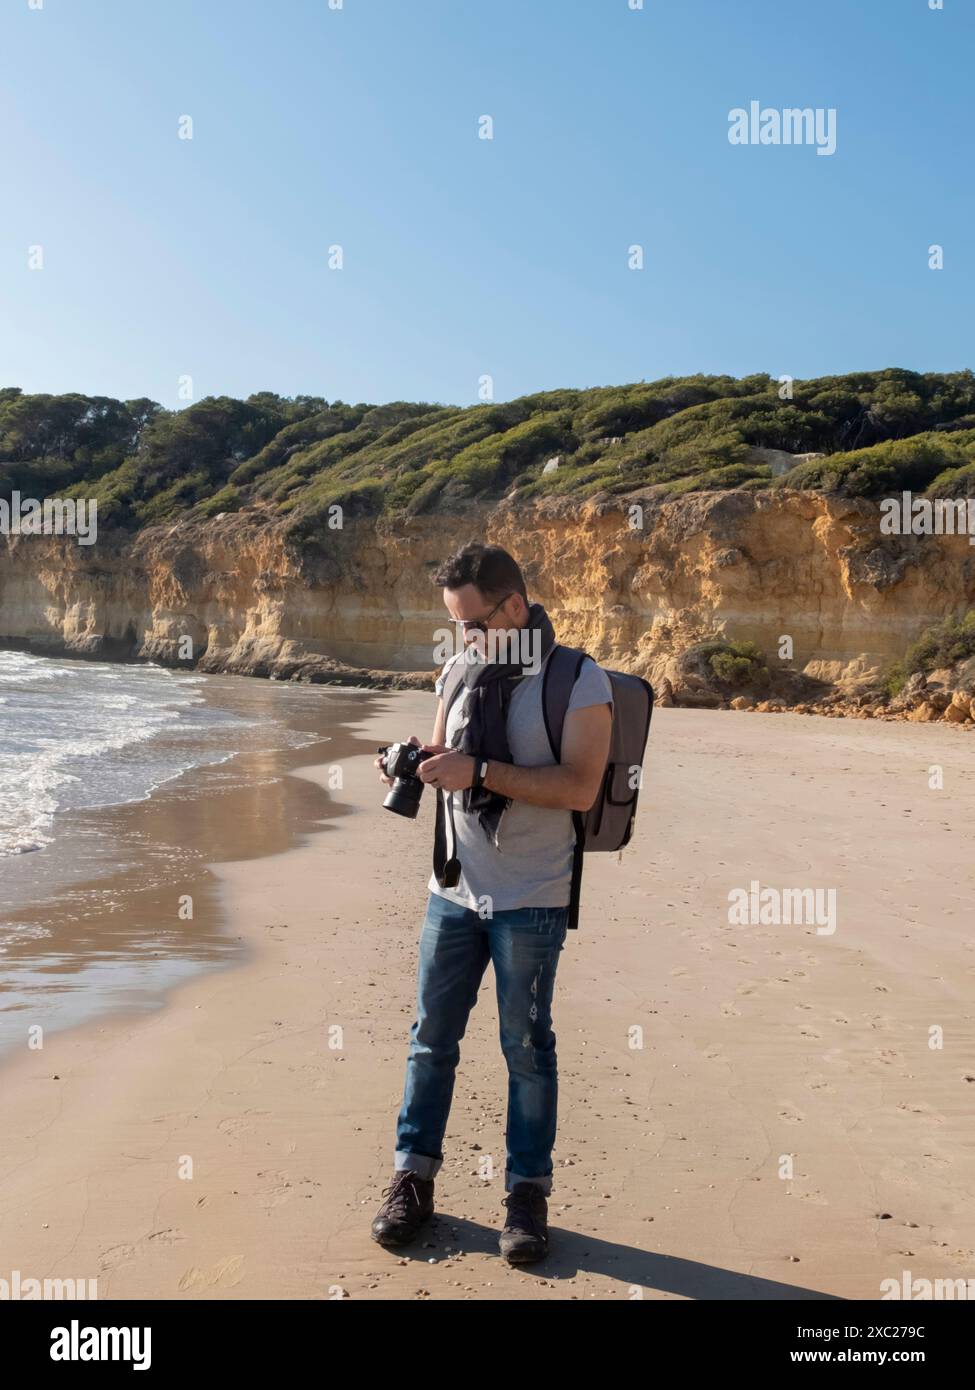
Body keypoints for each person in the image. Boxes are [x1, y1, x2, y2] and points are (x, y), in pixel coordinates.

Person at [371, 542, 613, 1263]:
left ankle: (525, 1196)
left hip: (531, 897)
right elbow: (444, 749)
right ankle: (412, 1181)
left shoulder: (579, 679)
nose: (463, 638)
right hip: (451, 891)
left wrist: (478, 769)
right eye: (455, 624)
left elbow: (577, 788)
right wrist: (411, 759)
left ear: (513, 606)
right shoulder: (457, 668)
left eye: (473, 623)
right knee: (428, 1042)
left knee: (526, 1050)